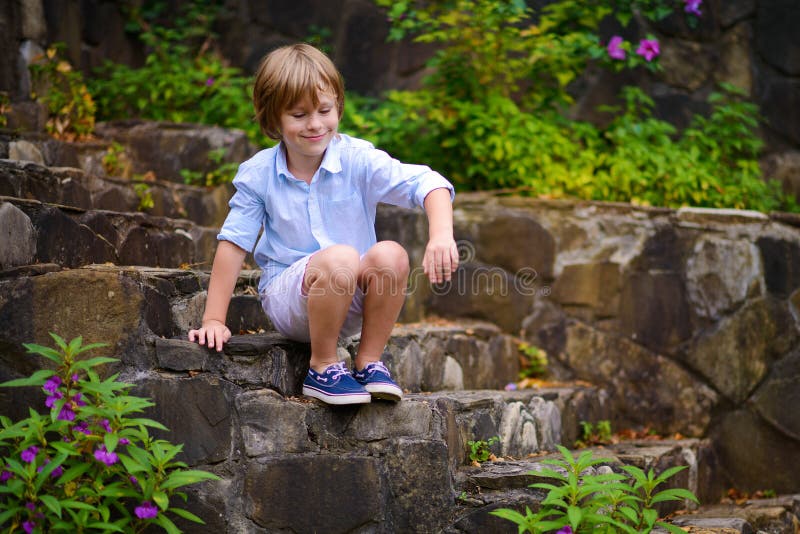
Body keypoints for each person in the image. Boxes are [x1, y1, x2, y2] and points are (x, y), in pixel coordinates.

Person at [188, 43, 458, 405]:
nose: (315, 124)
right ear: (273, 119)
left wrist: (441, 235)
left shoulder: (357, 159)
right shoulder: (259, 174)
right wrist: (213, 319)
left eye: (325, 110)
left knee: (391, 254)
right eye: (299, 115)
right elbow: (234, 244)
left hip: (349, 299)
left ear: (338, 107)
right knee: (340, 256)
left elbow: (428, 182)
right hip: (291, 301)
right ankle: (323, 367)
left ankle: (368, 362)